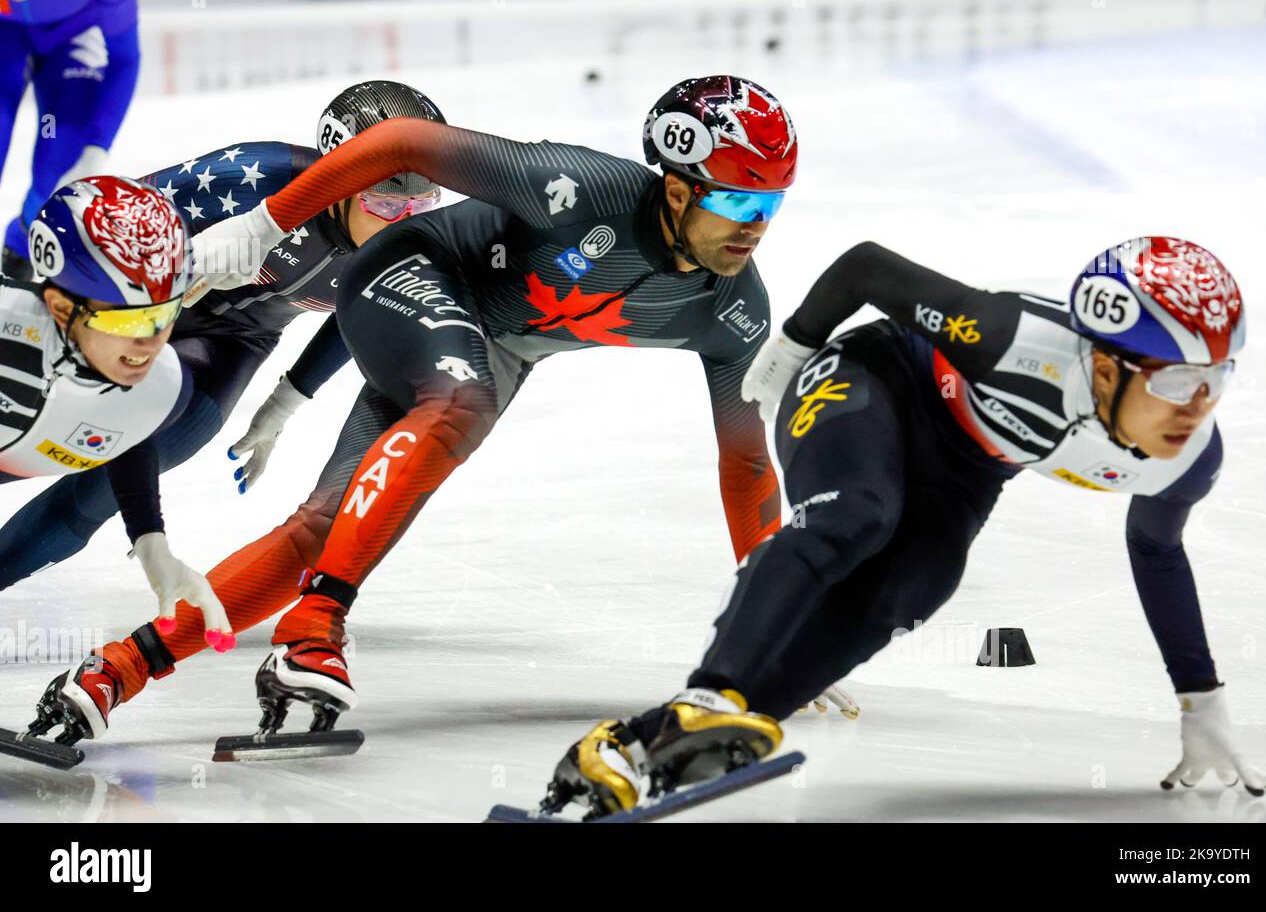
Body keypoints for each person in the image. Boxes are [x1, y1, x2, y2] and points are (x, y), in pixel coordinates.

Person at [85, 74, 794, 740]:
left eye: (770, 206)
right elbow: (401, 142)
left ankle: (112, 673)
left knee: (323, 531)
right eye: (737, 202)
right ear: (675, 190)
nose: (755, 227)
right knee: (463, 401)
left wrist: (771, 627)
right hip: (412, 269)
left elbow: (746, 463)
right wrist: (268, 223)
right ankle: (315, 626)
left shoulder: (732, 312)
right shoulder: (582, 186)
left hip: (494, 347)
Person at [538, 235, 1266, 818]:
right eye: (1179, 381)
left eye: (1218, 380)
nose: (1197, 408)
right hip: (873, 382)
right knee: (859, 517)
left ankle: (654, 741)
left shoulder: (1184, 462)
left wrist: (1200, 697)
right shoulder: (1010, 341)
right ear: (1109, 368)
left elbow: (1156, 548)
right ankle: (711, 695)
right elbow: (866, 270)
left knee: (916, 585)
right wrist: (790, 349)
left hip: (965, 467)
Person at [10, 81, 449, 741]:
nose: (408, 217)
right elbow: (110, 221)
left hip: (231, 342)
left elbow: (359, 309)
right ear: (340, 181)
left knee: (144, 455)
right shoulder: (254, 179)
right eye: (388, 200)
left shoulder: (405, 240)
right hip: (126, 315)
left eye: (424, 200)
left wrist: (287, 398)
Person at [2, 175, 232, 744]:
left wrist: (153, 547)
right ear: (59, 305)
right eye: (128, 322)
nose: (149, 344)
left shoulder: (161, 385)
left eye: (165, 316)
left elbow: (126, 432)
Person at [0, 0, 140, 280]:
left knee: (61, 168)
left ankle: (20, 246)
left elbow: (125, 59)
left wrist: (97, 147)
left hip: (73, 35)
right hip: (5, 34)